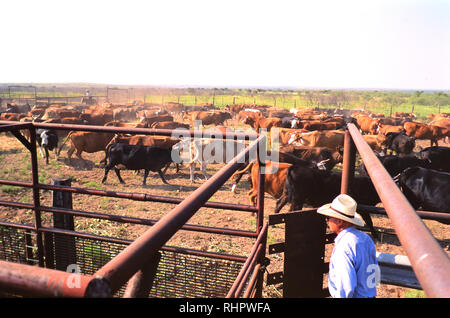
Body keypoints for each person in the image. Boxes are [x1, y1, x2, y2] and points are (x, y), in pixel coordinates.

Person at [317, 194, 379, 298]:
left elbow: (345, 288)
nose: (327, 220)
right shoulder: (366, 239)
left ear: (340, 221)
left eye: (329, 217)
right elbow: (374, 273)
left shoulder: (344, 246)